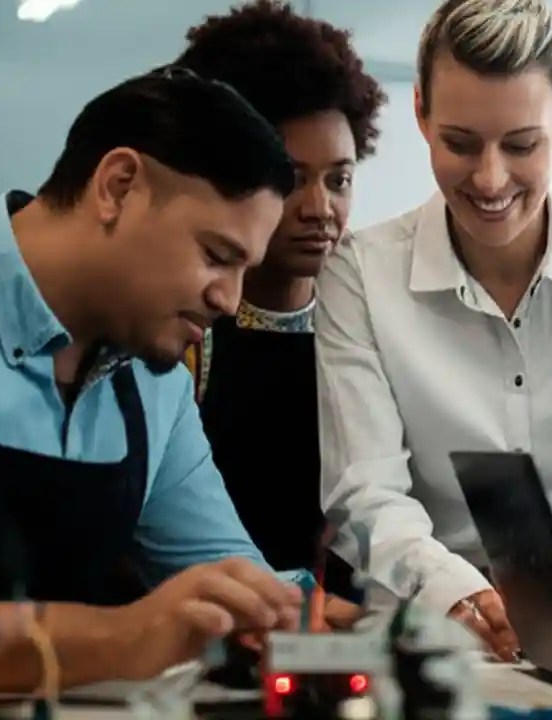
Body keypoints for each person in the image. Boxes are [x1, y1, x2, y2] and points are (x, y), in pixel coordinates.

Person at [0, 67, 305, 690]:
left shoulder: (156, 384)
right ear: (118, 186)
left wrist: (341, 613)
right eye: (216, 255)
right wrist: (120, 637)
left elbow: (231, 581)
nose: (230, 300)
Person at [316, 0, 552, 660]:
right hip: (431, 638)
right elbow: (366, 490)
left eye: (522, 145)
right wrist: (458, 595)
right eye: (460, 144)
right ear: (421, 115)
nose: (491, 179)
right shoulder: (360, 274)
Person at [175, 0, 387, 615]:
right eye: (294, 179)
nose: (321, 208)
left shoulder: (372, 326)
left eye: (339, 179)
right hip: (207, 631)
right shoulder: (181, 334)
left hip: (352, 640)